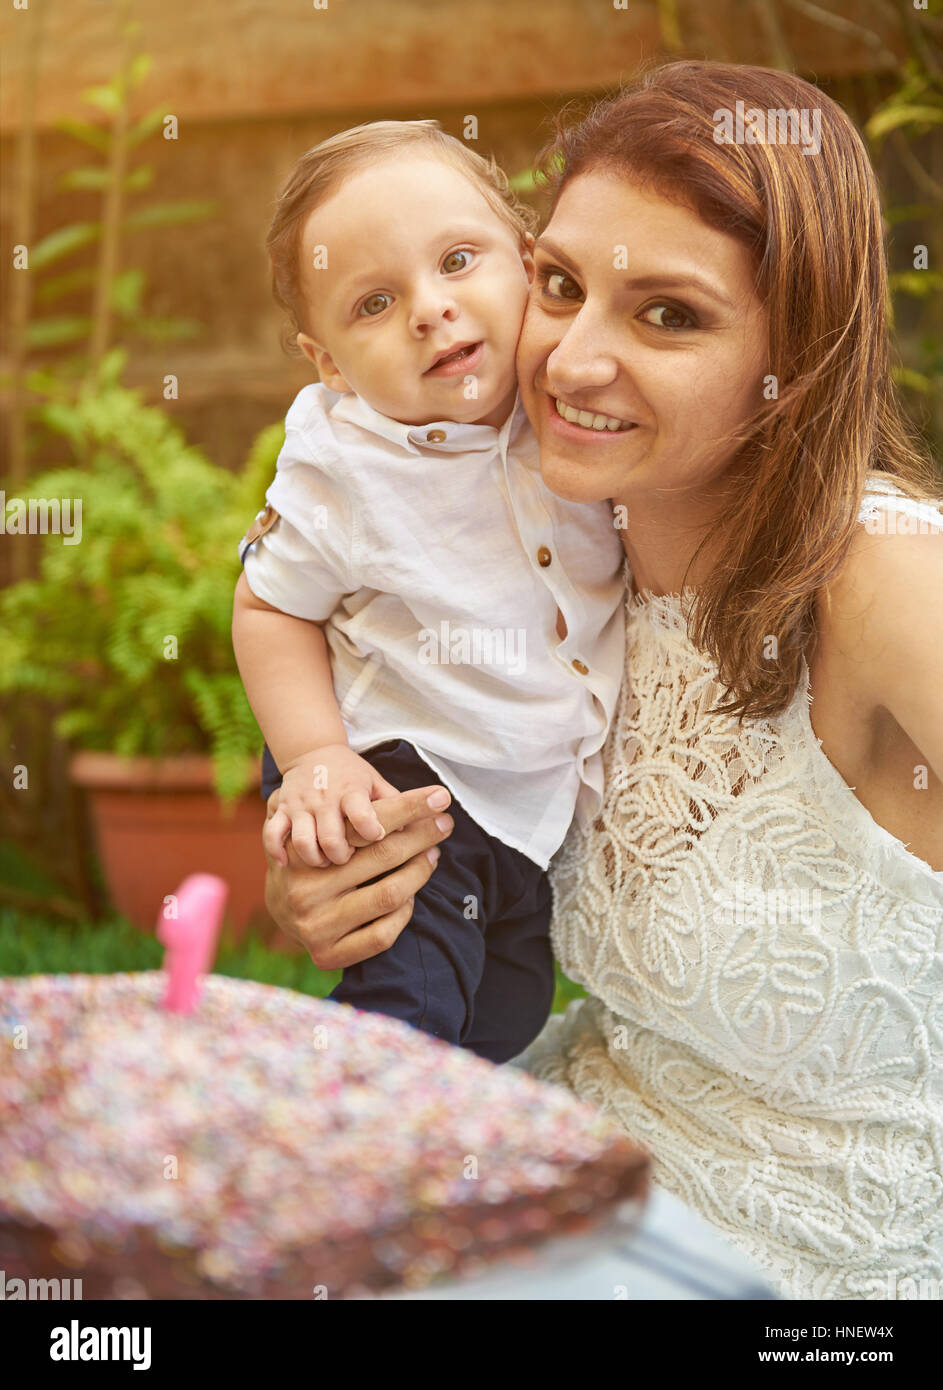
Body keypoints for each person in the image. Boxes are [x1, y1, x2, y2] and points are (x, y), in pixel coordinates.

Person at [257, 62, 943, 1299]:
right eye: (563, 285)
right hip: (580, 1152)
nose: (570, 360)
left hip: (813, 1273)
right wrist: (345, 880)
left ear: (797, 351)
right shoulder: (552, 553)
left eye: (668, 315)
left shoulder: (882, 580)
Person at [232, 121, 627, 1064]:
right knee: (407, 1015)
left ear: (528, 263)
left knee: (507, 1012)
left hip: (518, 803)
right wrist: (316, 755)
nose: (429, 310)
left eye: (458, 260)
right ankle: (360, 1162)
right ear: (327, 362)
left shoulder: (573, 406)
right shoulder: (348, 465)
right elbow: (269, 605)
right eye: (372, 303)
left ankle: (445, 1155)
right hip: (397, 772)